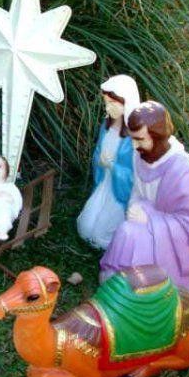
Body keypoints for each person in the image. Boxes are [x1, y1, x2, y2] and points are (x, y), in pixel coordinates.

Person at [100, 101, 189, 291]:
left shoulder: (183, 168)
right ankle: (120, 282)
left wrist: (149, 216)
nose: (133, 145)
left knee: (132, 235)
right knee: (126, 231)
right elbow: (137, 192)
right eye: (132, 139)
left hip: (168, 241)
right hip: (141, 223)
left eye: (139, 139)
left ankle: (144, 285)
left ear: (157, 137)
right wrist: (134, 207)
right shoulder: (140, 155)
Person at [77, 75, 140, 249]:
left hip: (120, 194)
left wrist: (113, 166)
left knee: (100, 236)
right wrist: (100, 161)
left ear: (126, 103)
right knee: (85, 228)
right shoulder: (106, 127)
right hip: (104, 184)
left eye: (113, 103)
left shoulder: (136, 137)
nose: (108, 107)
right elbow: (98, 153)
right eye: (106, 102)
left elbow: (136, 174)